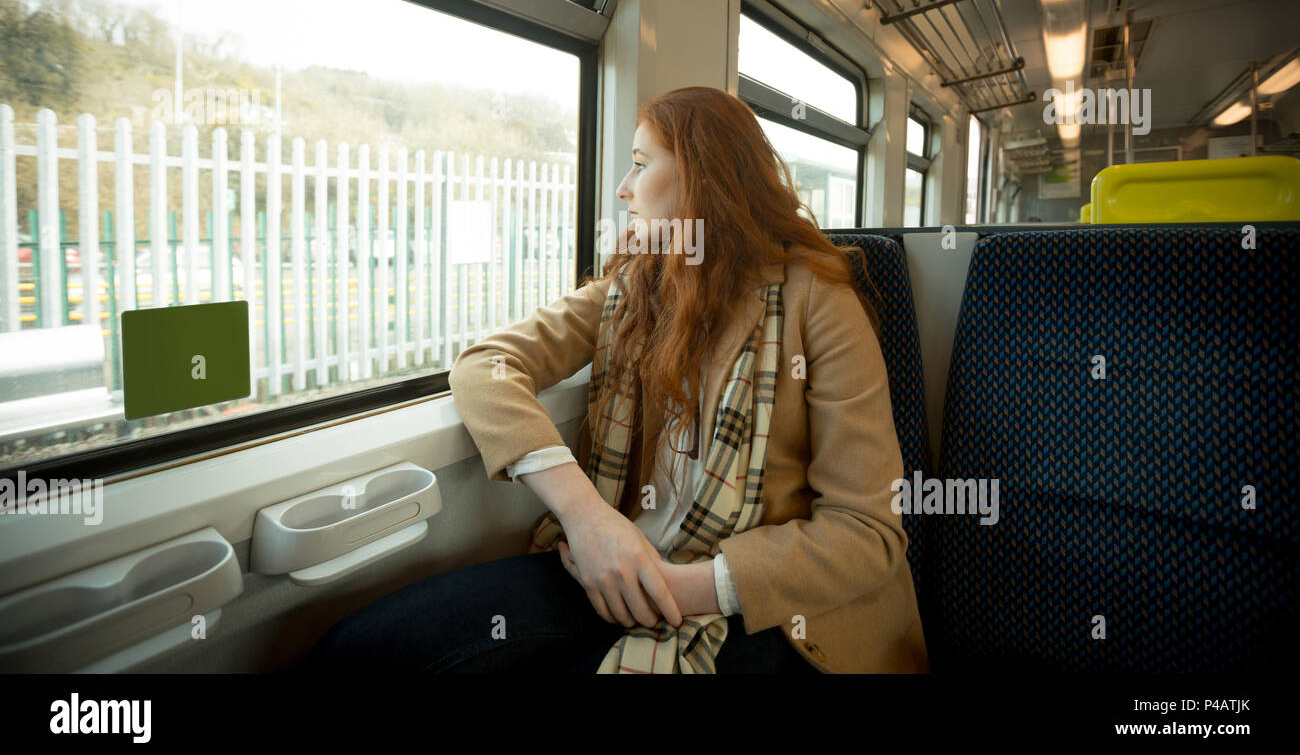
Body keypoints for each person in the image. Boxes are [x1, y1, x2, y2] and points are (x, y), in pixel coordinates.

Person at [304, 86, 928, 674]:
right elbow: (485, 368)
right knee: (361, 650)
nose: (625, 189)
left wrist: (685, 588)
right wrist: (590, 520)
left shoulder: (818, 300)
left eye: (639, 163)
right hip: (616, 563)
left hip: (775, 612)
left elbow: (867, 532)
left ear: (702, 180)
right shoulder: (631, 291)